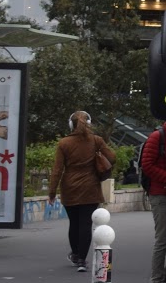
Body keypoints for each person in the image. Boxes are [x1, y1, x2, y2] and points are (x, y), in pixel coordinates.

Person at [48, 110, 116, 272]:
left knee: (74, 223)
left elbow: (57, 170)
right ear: (89, 123)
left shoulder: (64, 143)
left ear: (70, 125)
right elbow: (112, 157)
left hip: (69, 187)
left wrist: (51, 192)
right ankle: (81, 260)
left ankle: (76, 253)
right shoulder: (96, 140)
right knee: (86, 223)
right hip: (90, 187)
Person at [140, 120, 166, 283]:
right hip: (160, 194)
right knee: (163, 239)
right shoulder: (157, 136)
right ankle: (157, 281)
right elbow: (147, 165)